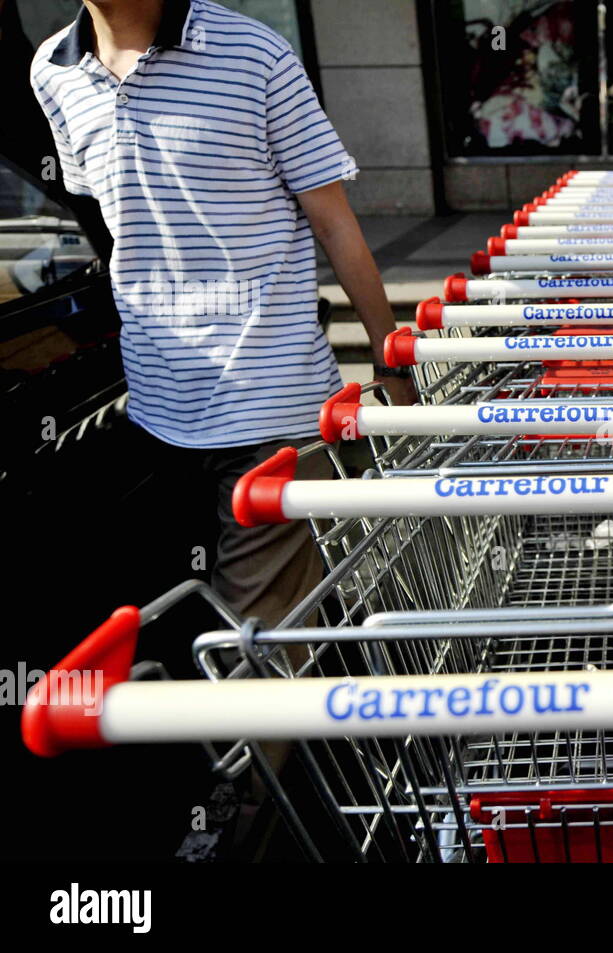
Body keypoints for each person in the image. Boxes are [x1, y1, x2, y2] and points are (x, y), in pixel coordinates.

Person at [30, 0, 416, 626]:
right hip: (155, 405)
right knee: (227, 622)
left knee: (250, 639)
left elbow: (333, 221)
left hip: (272, 401)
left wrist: (389, 356)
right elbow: (114, 217)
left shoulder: (253, 53)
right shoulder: (52, 69)